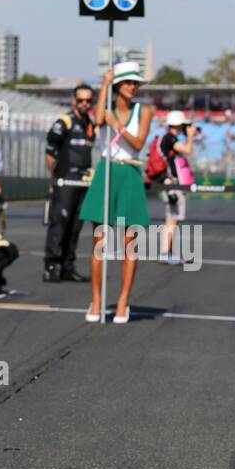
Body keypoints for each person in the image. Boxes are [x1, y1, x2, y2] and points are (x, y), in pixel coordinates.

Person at [79, 61, 153, 324]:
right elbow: (98, 121)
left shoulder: (144, 111)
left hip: (130, 172)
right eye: (128, 82)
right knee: (99, 242)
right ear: (118, 85)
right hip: (107, 171)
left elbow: (138, 143)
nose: (133, 87)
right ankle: (97, 300)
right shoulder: (106, 107)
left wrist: (118, 126)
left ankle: (123, 301)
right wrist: (103, 85)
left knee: (129, 244)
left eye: (135, 83)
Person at [42, 84, 95, 282]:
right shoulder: (64, 122)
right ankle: (52, 265)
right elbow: (50, 153)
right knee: (60, 223)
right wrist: (55, 178)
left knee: (76, 226)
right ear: (74, 101)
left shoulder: (90, 124)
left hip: (84, 182)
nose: (84, 104)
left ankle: (68, 266)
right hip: (65, 180)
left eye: (88, 101)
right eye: (80, 100)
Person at [158, 110, 196, 260]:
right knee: (172, 218)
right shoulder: (170, 138)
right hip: (171, 183)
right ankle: (165, 253)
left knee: (172, 218)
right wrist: (191, 136)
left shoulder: (168, 138)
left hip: (171, 182)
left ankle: (167, 252)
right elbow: (188, 150)